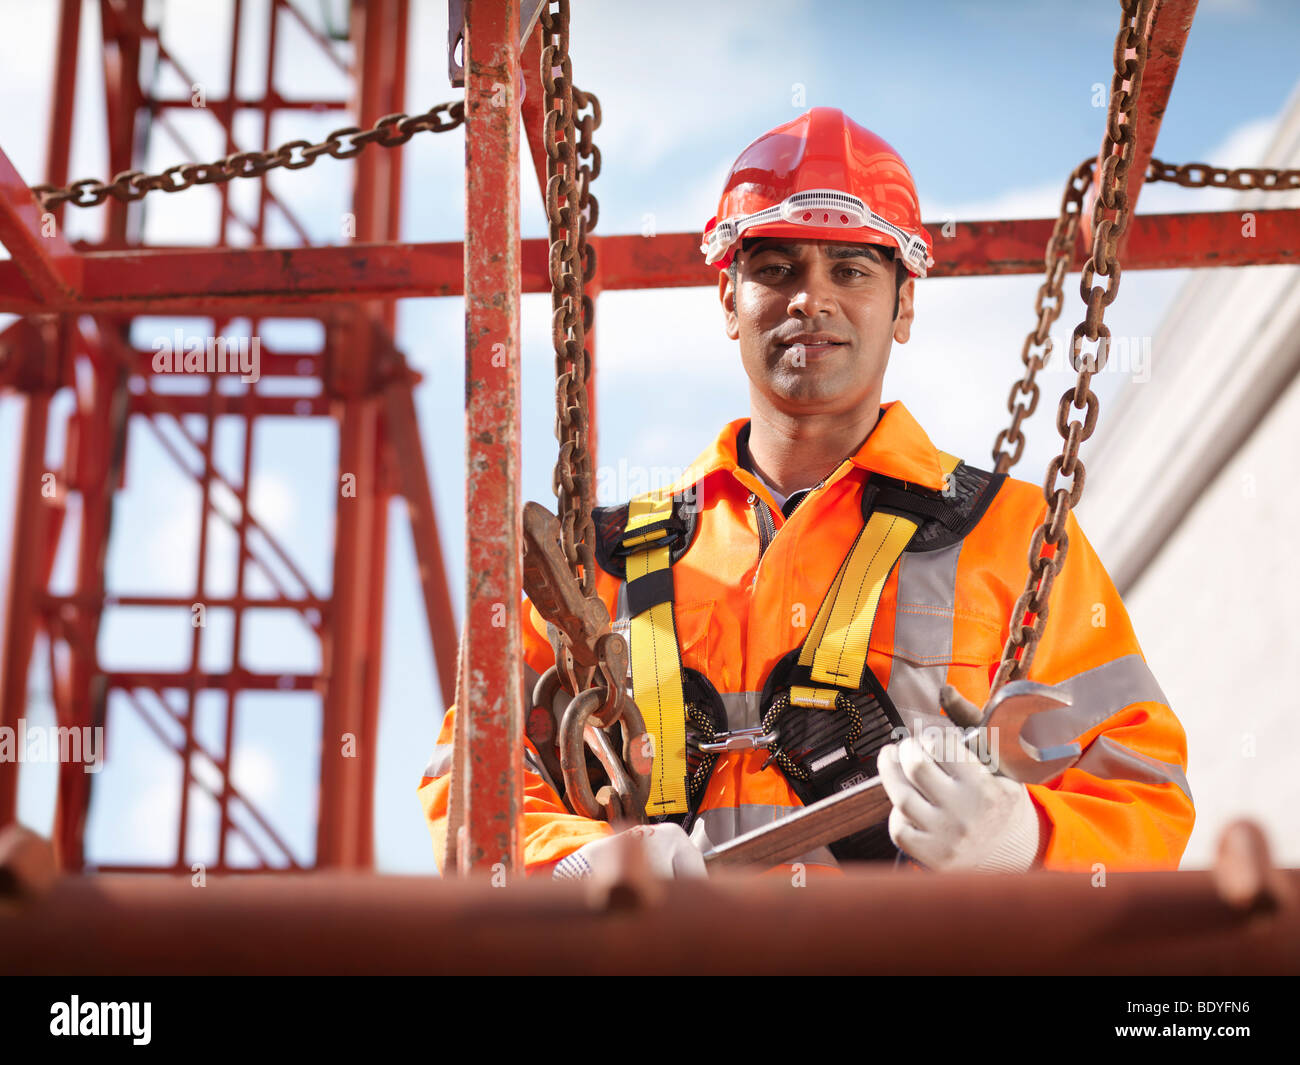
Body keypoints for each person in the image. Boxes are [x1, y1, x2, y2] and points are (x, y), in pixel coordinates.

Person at [419, 107, 1194, 880]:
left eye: (850, 270)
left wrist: (1025, 843)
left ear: (905, 305)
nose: (809, 300)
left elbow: (1146, 791)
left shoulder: (1013, 534)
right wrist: (578, 857)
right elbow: (469, 772)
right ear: (729, 300)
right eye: (777, 268)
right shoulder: (605, 561)